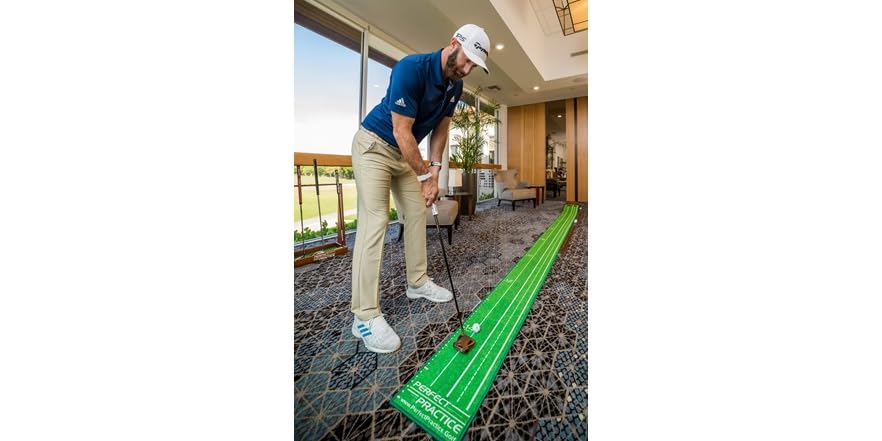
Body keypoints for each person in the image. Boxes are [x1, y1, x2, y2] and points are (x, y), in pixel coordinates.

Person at [349, 24, 491, 353]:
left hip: (403, 154)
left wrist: (436, 170)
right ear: (453, 43)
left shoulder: (455, 85)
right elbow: (402, 131)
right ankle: (364, 316)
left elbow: (441, 128)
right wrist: (426, 177)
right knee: (375, 221)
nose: (467, 69)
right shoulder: (410, 69)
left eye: (474, 66)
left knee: (416, 213)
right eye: (467, 60)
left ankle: (417, 282)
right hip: (373, 146)